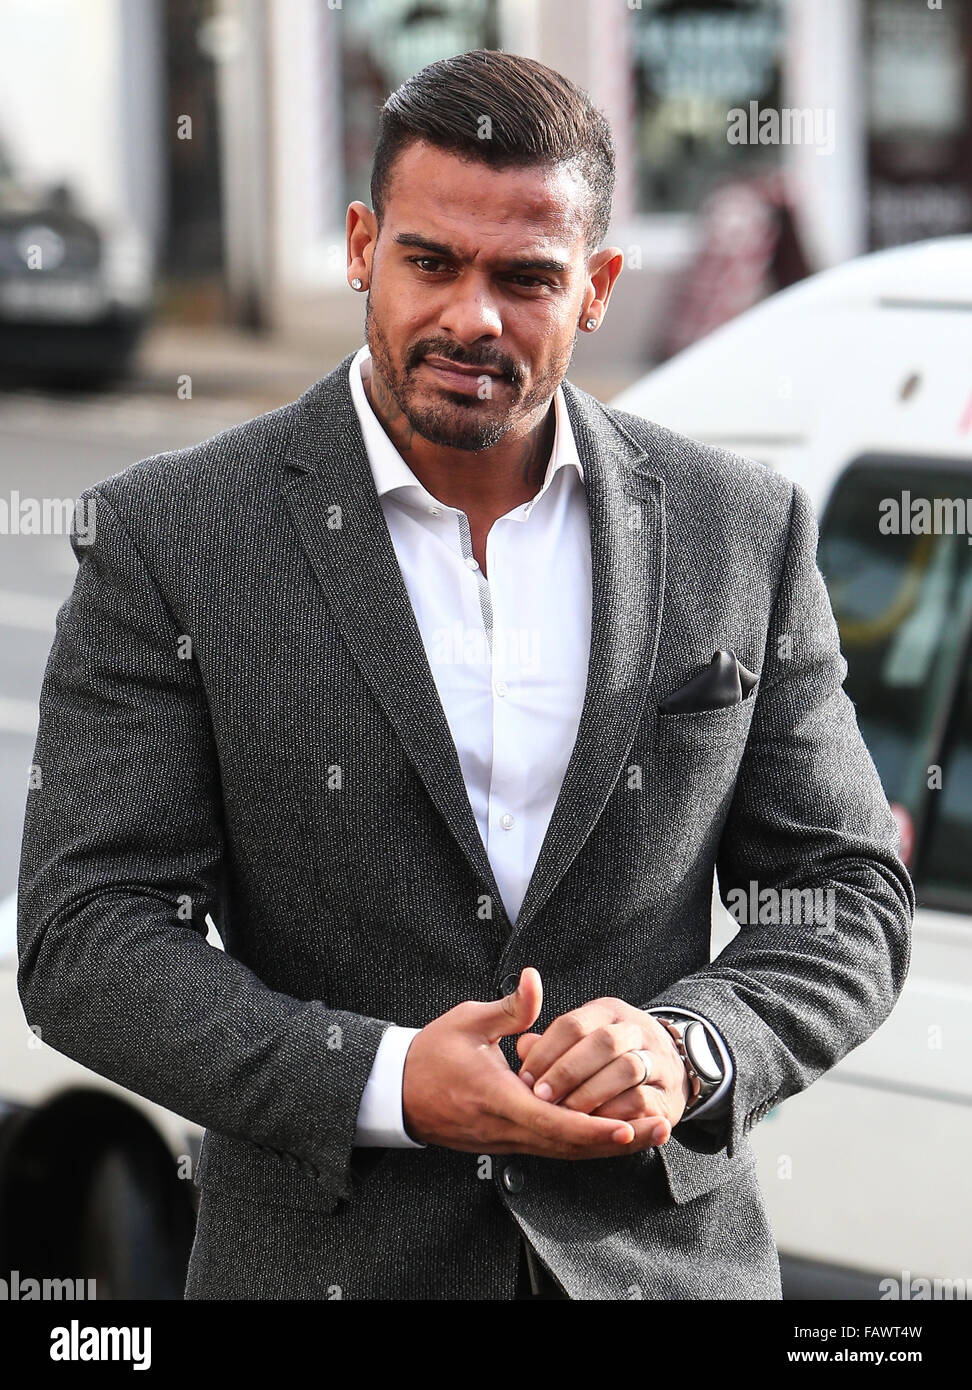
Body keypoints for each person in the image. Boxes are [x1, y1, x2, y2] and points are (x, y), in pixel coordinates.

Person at [17, 50, 913, 1301]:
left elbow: (845, 888)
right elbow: (86, 935)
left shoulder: (737, 527)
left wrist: (694, 1044)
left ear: (596, 286)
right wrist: (381, 1079)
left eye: (526, 277)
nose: (471, 319)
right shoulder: (173, 537)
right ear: (360, 246)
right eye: (430, 261)